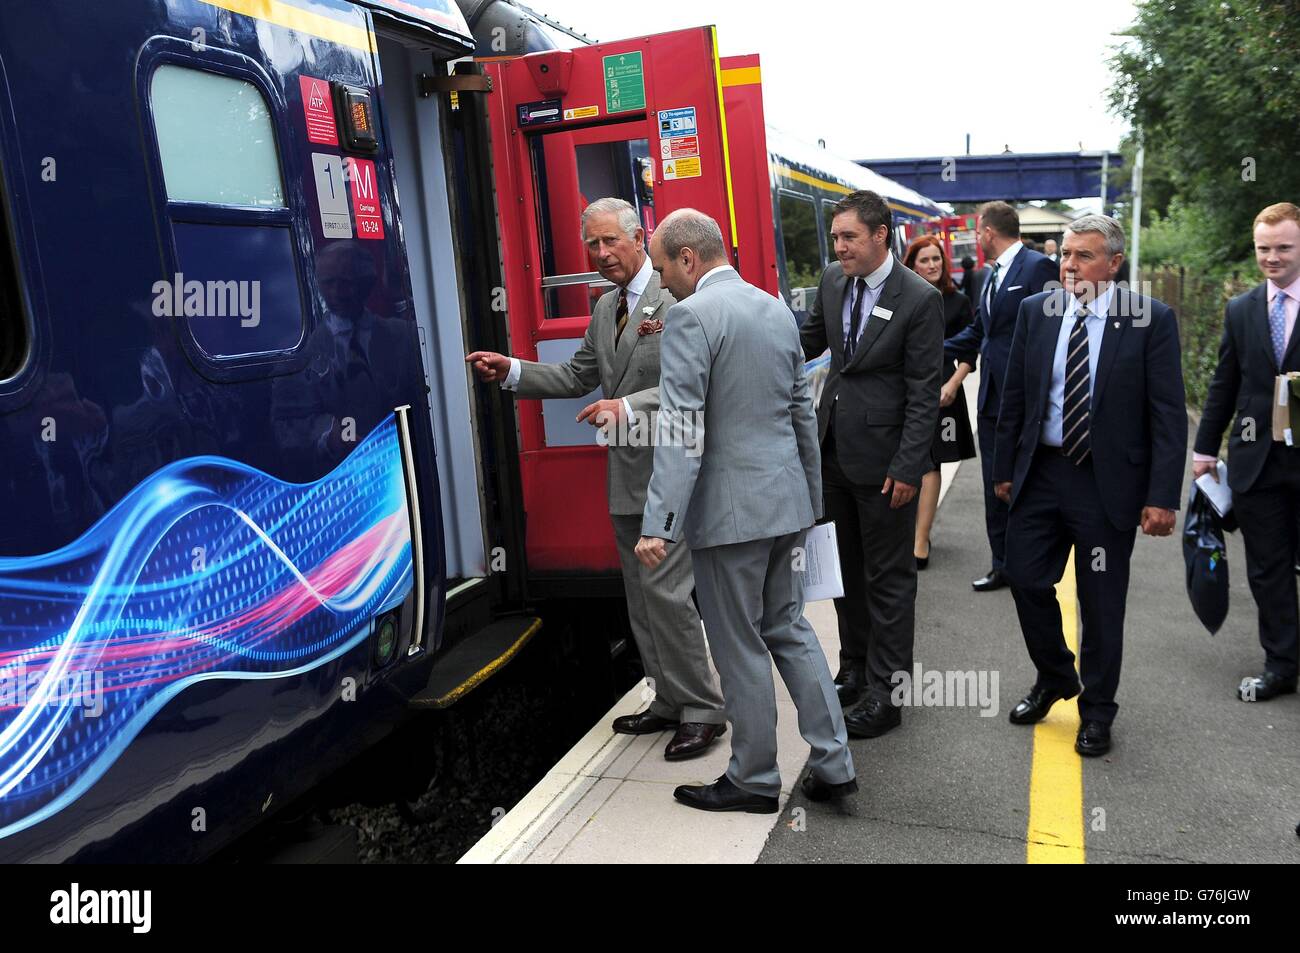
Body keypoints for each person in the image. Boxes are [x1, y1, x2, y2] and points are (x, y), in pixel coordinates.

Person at [466, 198, 727, 760]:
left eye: (611, 242)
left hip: (670, 474)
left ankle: (703, 710)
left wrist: (627, 406)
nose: (602, 254)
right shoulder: (606, 307)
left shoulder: (679, 298)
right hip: (627, 477)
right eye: (593, 245)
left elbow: (696, 387)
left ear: (640, 238)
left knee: (669, 595)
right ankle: (668, 700)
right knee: (640, 597)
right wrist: (510, 370)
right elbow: (576, 375)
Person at [635, 208, 857, 812]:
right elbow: (800, 412)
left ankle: (755, 780)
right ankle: (834, 764)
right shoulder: (773, 308)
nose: (661, 284)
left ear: (688, 257)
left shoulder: (690, 316)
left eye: (661, 268)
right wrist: (810, 501)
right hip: (786, 503)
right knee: (790, 629)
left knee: (738, 644)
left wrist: (659, 522)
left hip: (729, 518)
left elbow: (682, 428)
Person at [993, 215, 1185, 756]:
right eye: (1066, 255)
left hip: (1107, 483)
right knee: (1026, 578)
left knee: (1100, 604)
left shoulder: (1150, 319)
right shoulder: (1038, 312)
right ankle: (1055, 674)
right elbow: (1015, 399)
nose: (1069, 266)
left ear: (1115, 263)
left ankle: (1097, 711)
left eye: (1083, 257)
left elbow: (1168, 415)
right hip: (1043, 473)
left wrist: (1162, 496)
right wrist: (1003, 470)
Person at [799, 191, 943, 737]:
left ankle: (889, 692)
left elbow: (924, 391)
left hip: (886, 464)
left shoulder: (919, 299)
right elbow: (804, 341)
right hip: (833, 451)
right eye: (835, 238)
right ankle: (855, 668)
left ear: (881, 234)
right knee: (843, 574)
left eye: (848, 238)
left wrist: (909, 467)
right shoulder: (835, 283)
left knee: (888, 578)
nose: (839, 248)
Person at [1193, 201, 1300, 702]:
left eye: (1283, 247)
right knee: (1267, 568)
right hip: (1257, 461)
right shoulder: (1241, 309)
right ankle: (1281, 665)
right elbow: (1225, 382)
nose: (1272, 257)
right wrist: (1204, 450)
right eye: (1264, 249)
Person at [945, 202, 1058, 592]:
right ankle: (1002, 565)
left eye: (978, 232)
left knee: (1023, 483)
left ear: (989, 232)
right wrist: (928, 347)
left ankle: (1030, 563)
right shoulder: (991, 277)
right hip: (992, 397)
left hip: (1024, 399)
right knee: (995, 483)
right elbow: (981, 332)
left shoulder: (1037, 267)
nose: (977, 239)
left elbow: (1049, 328)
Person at [903, 235, 977, 569]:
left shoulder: (958, 301)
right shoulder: (900, 298)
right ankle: (907, 532)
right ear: (912, 264)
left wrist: (952, 384)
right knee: (906, 460)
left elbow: (969, 349)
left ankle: (920, 540)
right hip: (905, 391)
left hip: (943, 392)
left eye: (937, 259)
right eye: (925, 260)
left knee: (931, 463)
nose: (932, 265)